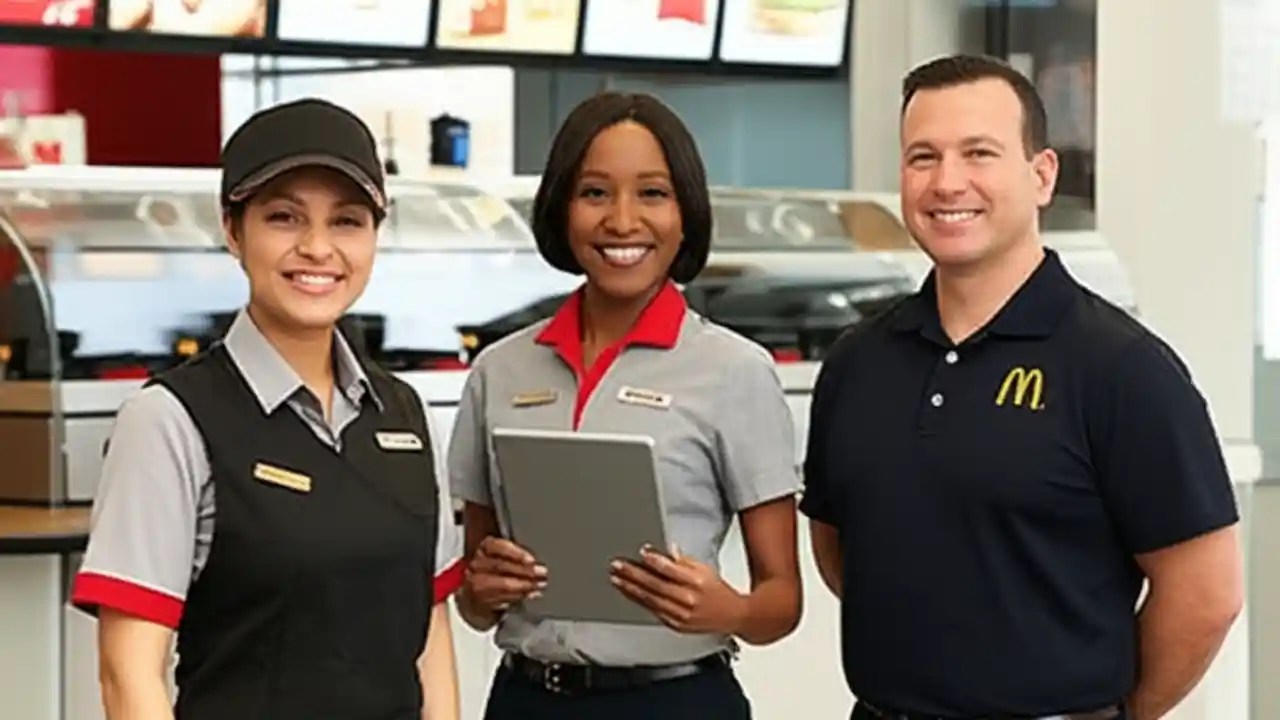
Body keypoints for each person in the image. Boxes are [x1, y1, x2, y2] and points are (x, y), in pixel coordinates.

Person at [801, 54, 1244, 720]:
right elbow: (843, 555)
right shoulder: (856, 363)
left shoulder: (1123, 370)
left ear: (1041, 175)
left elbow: (1206, 595)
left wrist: (1110, 712)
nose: (947, 182)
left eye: (978, 153)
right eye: (923, 157)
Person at [69, 98, 465, 720]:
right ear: (233, 229)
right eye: (284, 217)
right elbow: (128, 676)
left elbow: (429, 635)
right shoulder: (170, 420)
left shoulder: (406, 414)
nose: (317, 248)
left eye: (347, 221)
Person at [447, 91, 803, 719]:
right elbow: (475, 602)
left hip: (678, 700)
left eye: (652, 193)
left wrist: (733, 611)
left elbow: (782, 601)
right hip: (527, 700)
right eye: (594, 193)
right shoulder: (498, 372)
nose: (622, 220)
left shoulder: (735, 371)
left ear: (686, 212)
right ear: (562, 209)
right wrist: (482, 591)